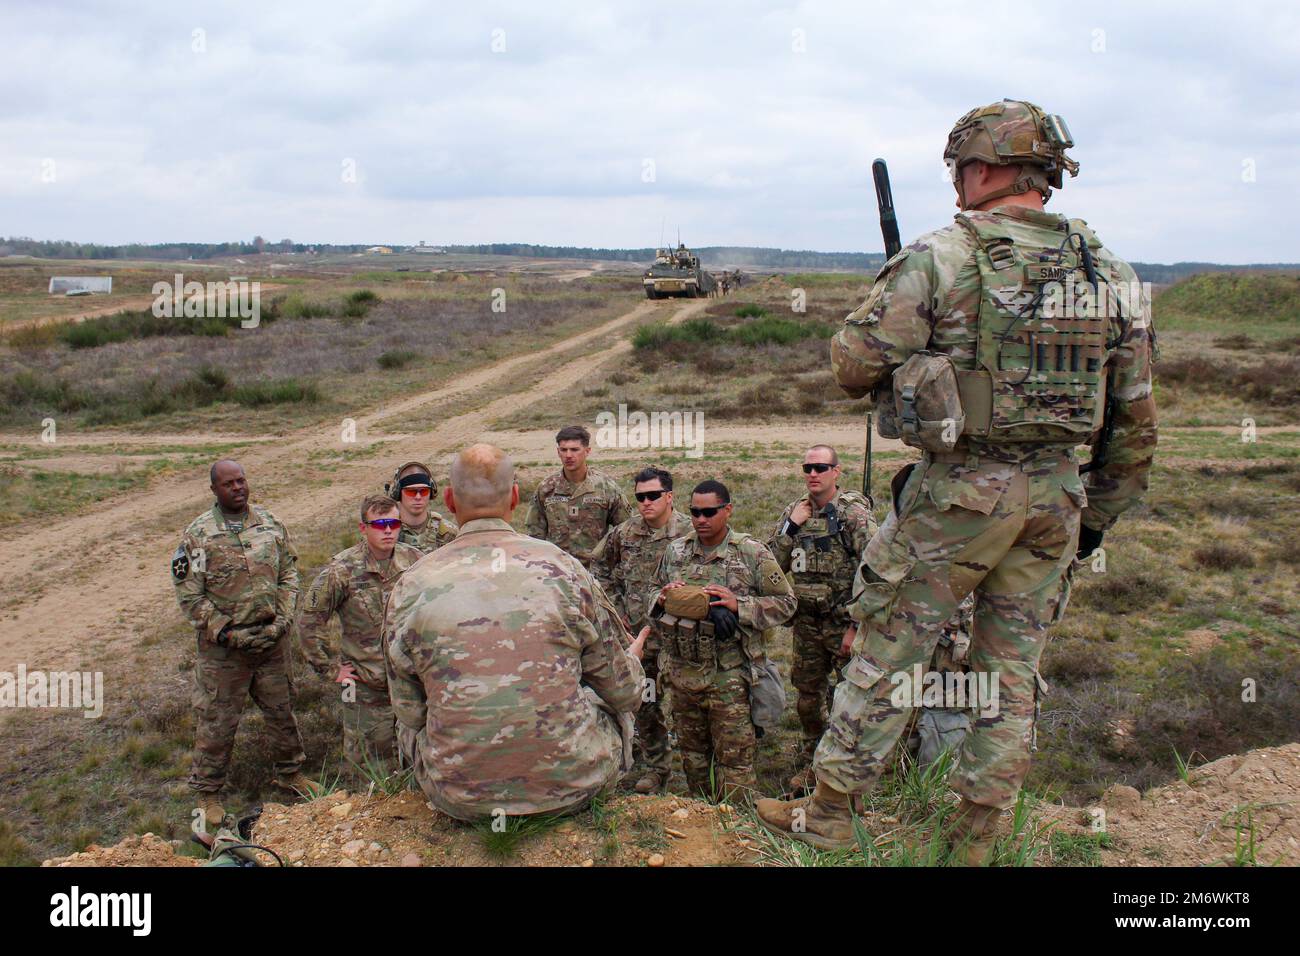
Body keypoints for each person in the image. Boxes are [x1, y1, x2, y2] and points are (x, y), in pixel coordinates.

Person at [757, 99, 1157, 862]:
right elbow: (1135, 424)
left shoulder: (942, 255)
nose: (956, 183)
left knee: (886, 652)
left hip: (960, 497)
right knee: (1010, 674)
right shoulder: (1112, 273)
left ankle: (834, 813)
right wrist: (1095, 520)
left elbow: (852, 364)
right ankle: (978, 838)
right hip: (1056, 500)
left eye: (959, 169)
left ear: (980, 167)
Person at [385, 444, 647, 820]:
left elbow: (408, 711)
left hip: (458, 796)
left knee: (411, 725)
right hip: (574, 787)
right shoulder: (566, 571)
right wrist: (632, 664)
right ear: (514, 496)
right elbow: (625, 692)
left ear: (447, 500)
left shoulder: (411, 584)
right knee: (610, 699)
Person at [172, 459, 317, 827]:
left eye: (241, 480)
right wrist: (226, 632)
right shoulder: (198, 536)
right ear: (214, 491)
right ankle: (207, 794)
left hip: (271, 640)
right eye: (228, 483)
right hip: (225, 651)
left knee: (281, 710)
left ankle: (291, 774)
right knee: (218, 720)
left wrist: (282, 621)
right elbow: (191, 597)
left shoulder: (270, 525)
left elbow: (289, 573)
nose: (237, 488)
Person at [647, 480, 796, 798]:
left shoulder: (751, 553)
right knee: (694, 761)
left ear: (727, 510)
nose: (701, 519)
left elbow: (786, 603)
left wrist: (738, 606)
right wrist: (662, 599)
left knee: (735, 764)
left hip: (729, 678)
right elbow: (651, 593)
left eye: (709, 512)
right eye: (695, 512)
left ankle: (737, 834)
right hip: (683, 674)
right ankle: (701, 829)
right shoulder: (676, 553)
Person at [767, 445, 875, 791]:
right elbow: (770, 565)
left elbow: (874, 572)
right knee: (807, 696)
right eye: (807, 468)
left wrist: (857, 627)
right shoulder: (794, 511)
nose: (812, 474)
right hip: (807, 625)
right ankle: (814, 751)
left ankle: (848, 765)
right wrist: (790, 526)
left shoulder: (852, 516)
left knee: (849, 697)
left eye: (820, 468)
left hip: (844, 623)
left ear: (835, 472)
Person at [295, 494, 422, 775]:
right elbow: (310, 619)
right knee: (368, 762)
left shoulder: (415, 561)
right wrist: (329, 668)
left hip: (410, 682)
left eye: (393, 523)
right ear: (363, 529)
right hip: (366, 687)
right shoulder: (341, 570)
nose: (388, 530)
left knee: (416, 755)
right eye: (379, 525)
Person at [591, 466, 692, 793]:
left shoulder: (689, 534)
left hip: (683, 639)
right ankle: (657, 768)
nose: (645, 503)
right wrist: (615, 611)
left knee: (687, 705)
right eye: (640, 497)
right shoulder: (623, 534)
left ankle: (698, 772)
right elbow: (600, 570)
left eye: (653, 496)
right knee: (646, 703)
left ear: (669, 496)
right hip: (640, 637)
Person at [525, 425, 629, 568]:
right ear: (558, 452)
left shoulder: (606, 488)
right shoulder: (546, 488)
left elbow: (626, 530)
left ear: (587, 451)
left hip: (596, 572)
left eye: (574, 450)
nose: (568, 455)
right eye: (564, 450)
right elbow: (534, 535)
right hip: (558, 571)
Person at [387, 461, 458, 553]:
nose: (418, 497)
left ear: (431, 492)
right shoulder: (386, 532)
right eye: (411, 492)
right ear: (398, 494)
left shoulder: (449, 533)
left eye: (424, 491)